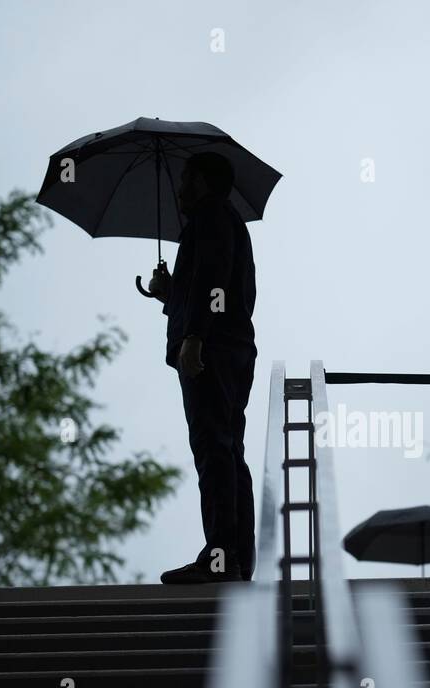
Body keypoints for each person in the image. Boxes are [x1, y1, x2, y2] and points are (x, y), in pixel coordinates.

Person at [149, 152, 258, 585]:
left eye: (185, 179)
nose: (178, 189)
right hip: (231, 348)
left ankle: (220, 558)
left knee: (214, 450)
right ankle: (233, 558)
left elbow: (213, 278)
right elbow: (217, 288)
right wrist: (170, 293)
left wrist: (194, 336)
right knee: (227, 449)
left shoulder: (210, 217)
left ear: (204, 182)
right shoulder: (226, 221)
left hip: (212, 349)